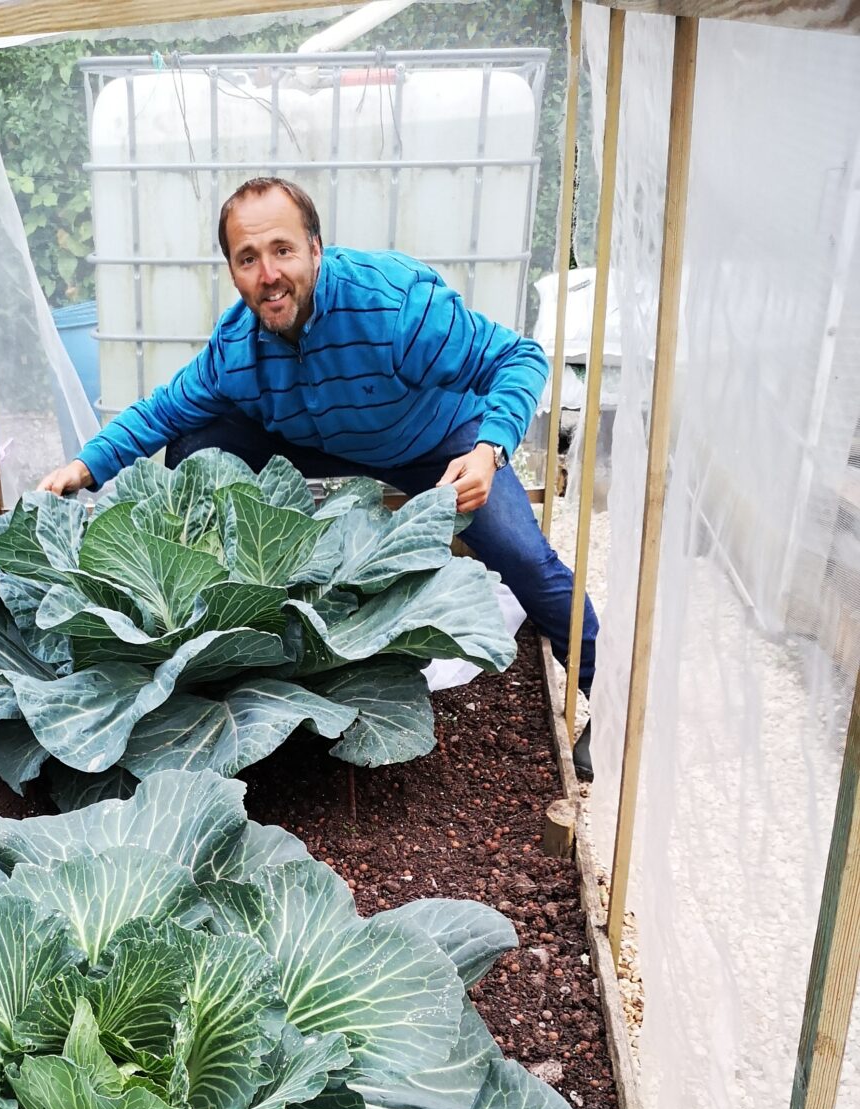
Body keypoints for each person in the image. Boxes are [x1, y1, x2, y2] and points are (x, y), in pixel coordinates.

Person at [38, 175, 596, 777]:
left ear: (315, 248)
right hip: (315, 441)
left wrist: (490, 450)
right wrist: (83, 467)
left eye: (282, 250)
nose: (268, 274)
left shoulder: (393, 309)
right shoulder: (238, 347)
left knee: (524, 558)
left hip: (433, 442)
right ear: (232, 272)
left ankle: (604, 698)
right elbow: (162, 410)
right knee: (197, 444)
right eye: (248, 258)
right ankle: (241, 616)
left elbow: (519, 358)